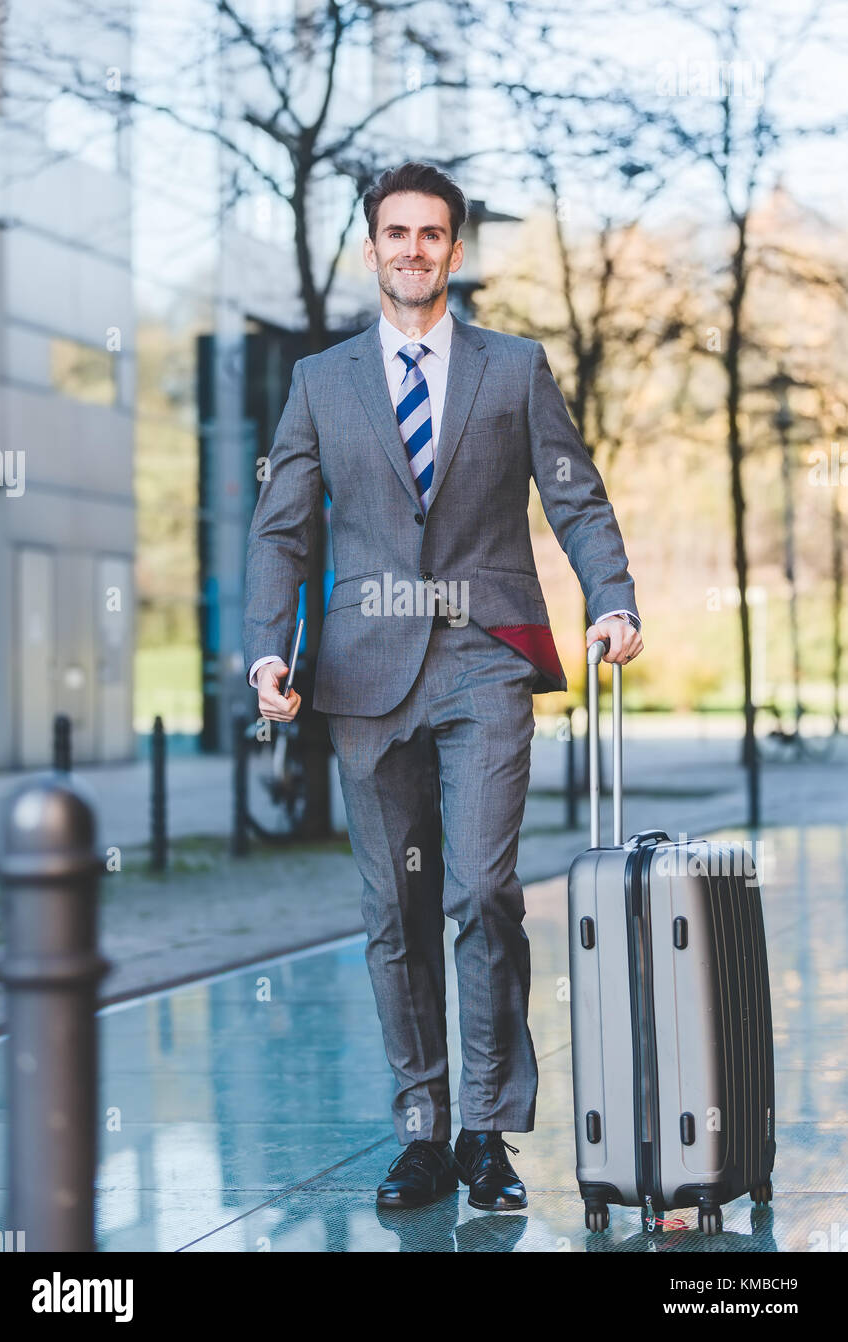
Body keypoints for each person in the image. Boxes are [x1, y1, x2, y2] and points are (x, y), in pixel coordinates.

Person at [243, 161, 643, 1211]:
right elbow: (283, 528)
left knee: (478, 891)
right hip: (363, 675)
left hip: (482, 661)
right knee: (393, 910)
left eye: (432, 234)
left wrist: (613, 597)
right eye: (395, 232)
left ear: (454, 252)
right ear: (370, 248)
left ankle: (485, 1131)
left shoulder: (511, 369)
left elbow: (575, 496)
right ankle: (420, 1129)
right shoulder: (319, 383)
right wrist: (265, 649)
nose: (413, 248)